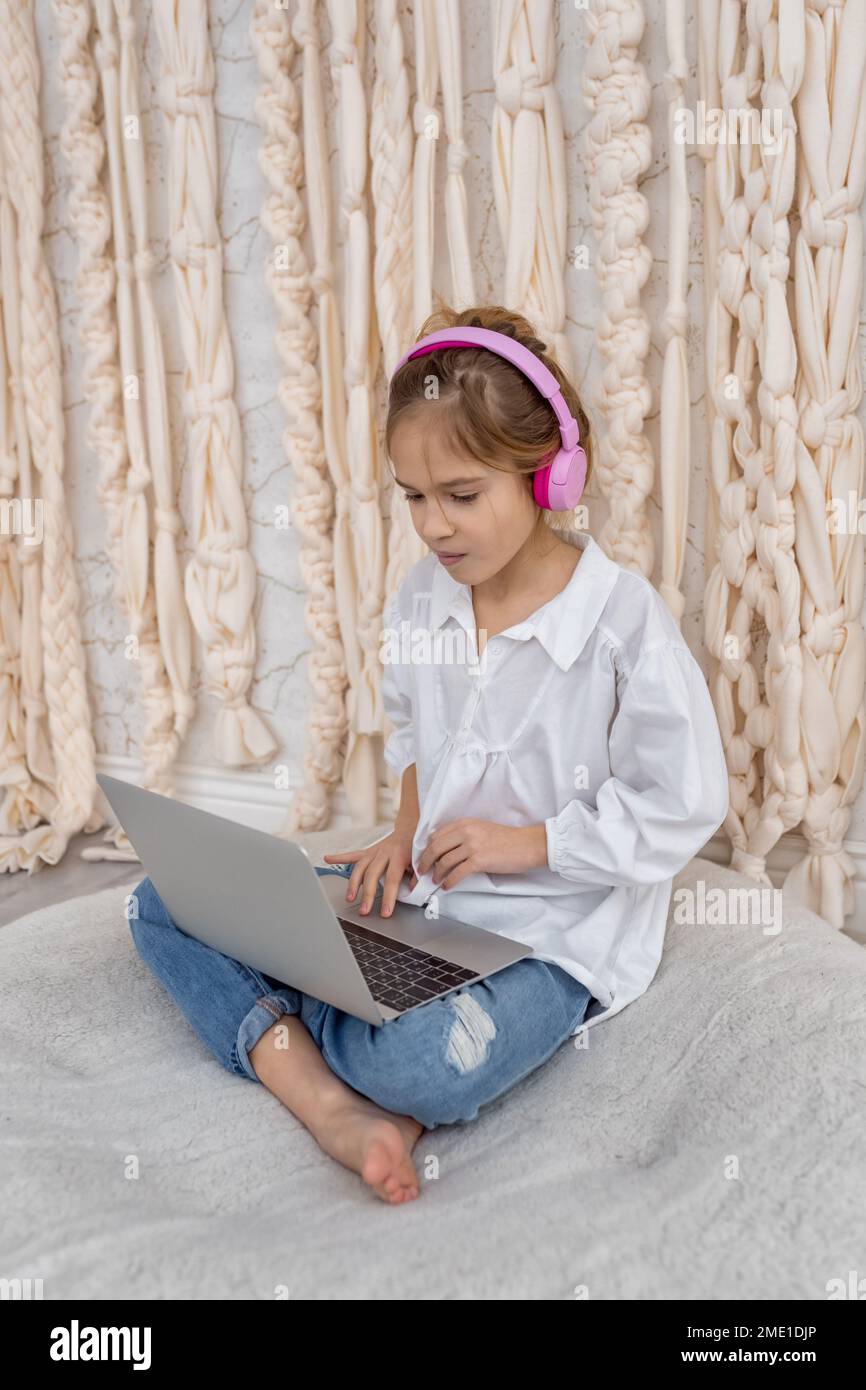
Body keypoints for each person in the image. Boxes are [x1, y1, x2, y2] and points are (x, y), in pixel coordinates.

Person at [129, 304, 729, 1206]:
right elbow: (415, 732)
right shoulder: (424, 597)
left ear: (549, 478)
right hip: (429, 905)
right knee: (158, 899)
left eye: (461, 495)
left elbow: (684, 800)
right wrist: (403, 833)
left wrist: (523, 844)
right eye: (413, 496)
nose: (435, 527)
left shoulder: (622, 622)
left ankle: (331, 1061)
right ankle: (342, 1101)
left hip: (549, 937)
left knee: (423, 1063)